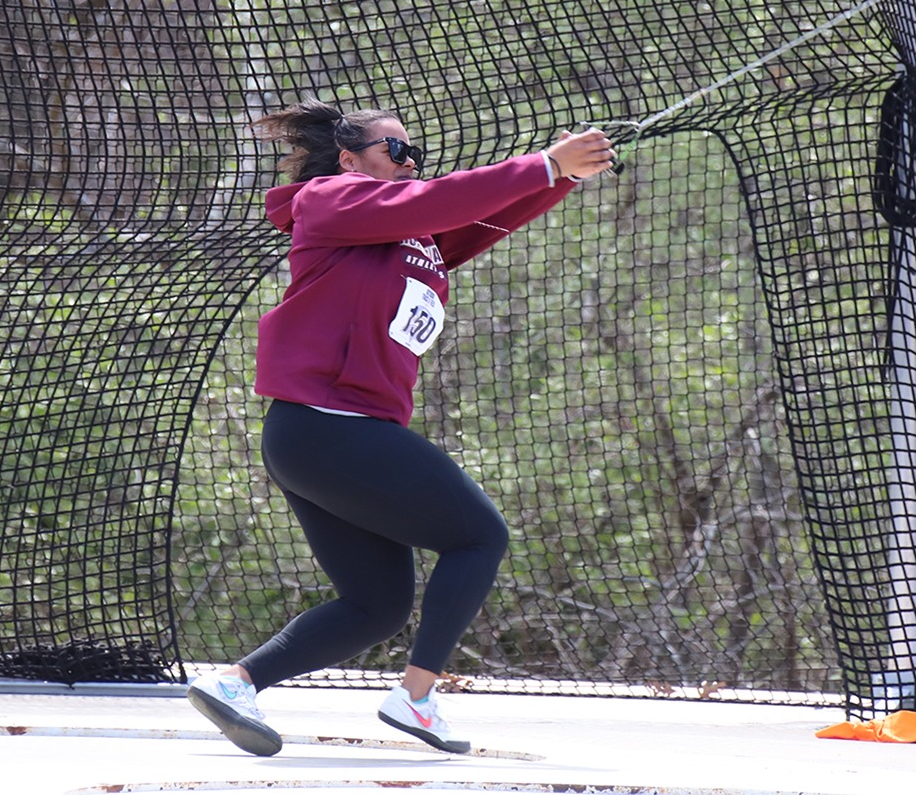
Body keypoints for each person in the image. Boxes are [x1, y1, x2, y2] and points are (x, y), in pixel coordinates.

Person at [188, 100, 615, 756]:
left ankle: (238, 684)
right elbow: (434, 203)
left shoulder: (410, 236)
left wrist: (558, 177)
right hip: (329, 427)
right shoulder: (328, 200)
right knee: (479, 537)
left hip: (322, 437)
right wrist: (540, 163)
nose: (410, 162)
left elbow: (473, 220)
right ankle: (415, 699)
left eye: (414, 152)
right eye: (396, 151)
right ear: (351, 159)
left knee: (376, 604)